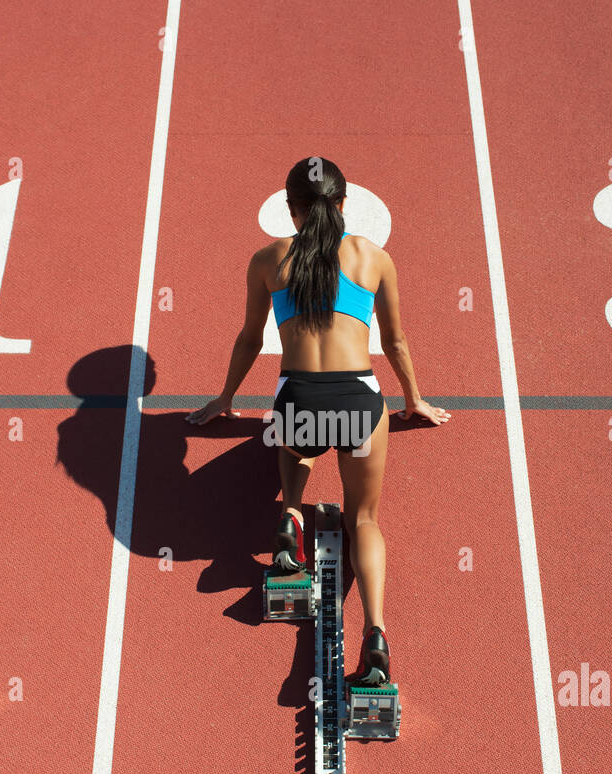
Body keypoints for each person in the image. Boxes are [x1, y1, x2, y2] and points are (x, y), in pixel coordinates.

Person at [187, 156, 449, 685]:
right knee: (365, 521)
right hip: (358, 401)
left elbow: (250, 339)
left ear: (291, 210)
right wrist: (414, 400)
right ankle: (375, 632)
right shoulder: (373, 258)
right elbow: (395, 341)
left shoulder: (267, 259)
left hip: (301, 401)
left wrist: (224, 397)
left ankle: (290, 518)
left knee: (294, 434)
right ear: (344, 204)